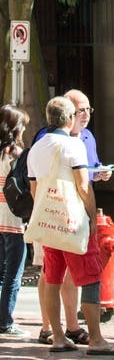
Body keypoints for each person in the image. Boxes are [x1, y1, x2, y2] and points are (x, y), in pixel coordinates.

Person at [27, 96, 114, 355]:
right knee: (91, 277)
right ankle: (96, 339)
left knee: (52, 277)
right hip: (73, 222)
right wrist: (91, 217)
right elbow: (83, 186)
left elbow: (34, 188)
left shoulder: (36, 148)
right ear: (69, 119)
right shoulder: (73, 145)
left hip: (49, 223)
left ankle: (57, 336)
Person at [0, 103, 30, 337]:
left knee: (1, 273)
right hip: (13, 220)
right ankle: (6, 320)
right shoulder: (16, 154)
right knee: (13, 274)